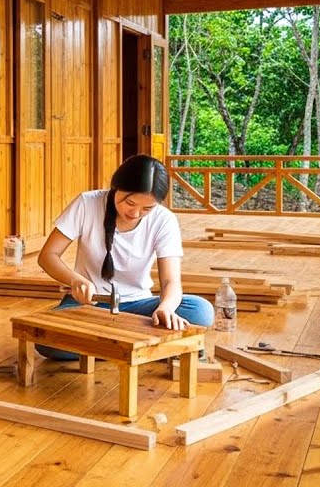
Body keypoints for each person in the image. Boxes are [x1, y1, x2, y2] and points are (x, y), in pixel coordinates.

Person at [34, 154, 213, 360]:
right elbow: (48, 255)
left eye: (147, 208)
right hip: (88, 306)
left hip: (139, 307)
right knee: (46, 340)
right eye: (130, 203)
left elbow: (170, 281)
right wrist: (75, 280)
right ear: (116, 187)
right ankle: (143, 347)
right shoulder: (87, 203)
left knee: (200, 311)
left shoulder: (164, 220)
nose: (136, 213)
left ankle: (106, 346)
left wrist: (166, 308)